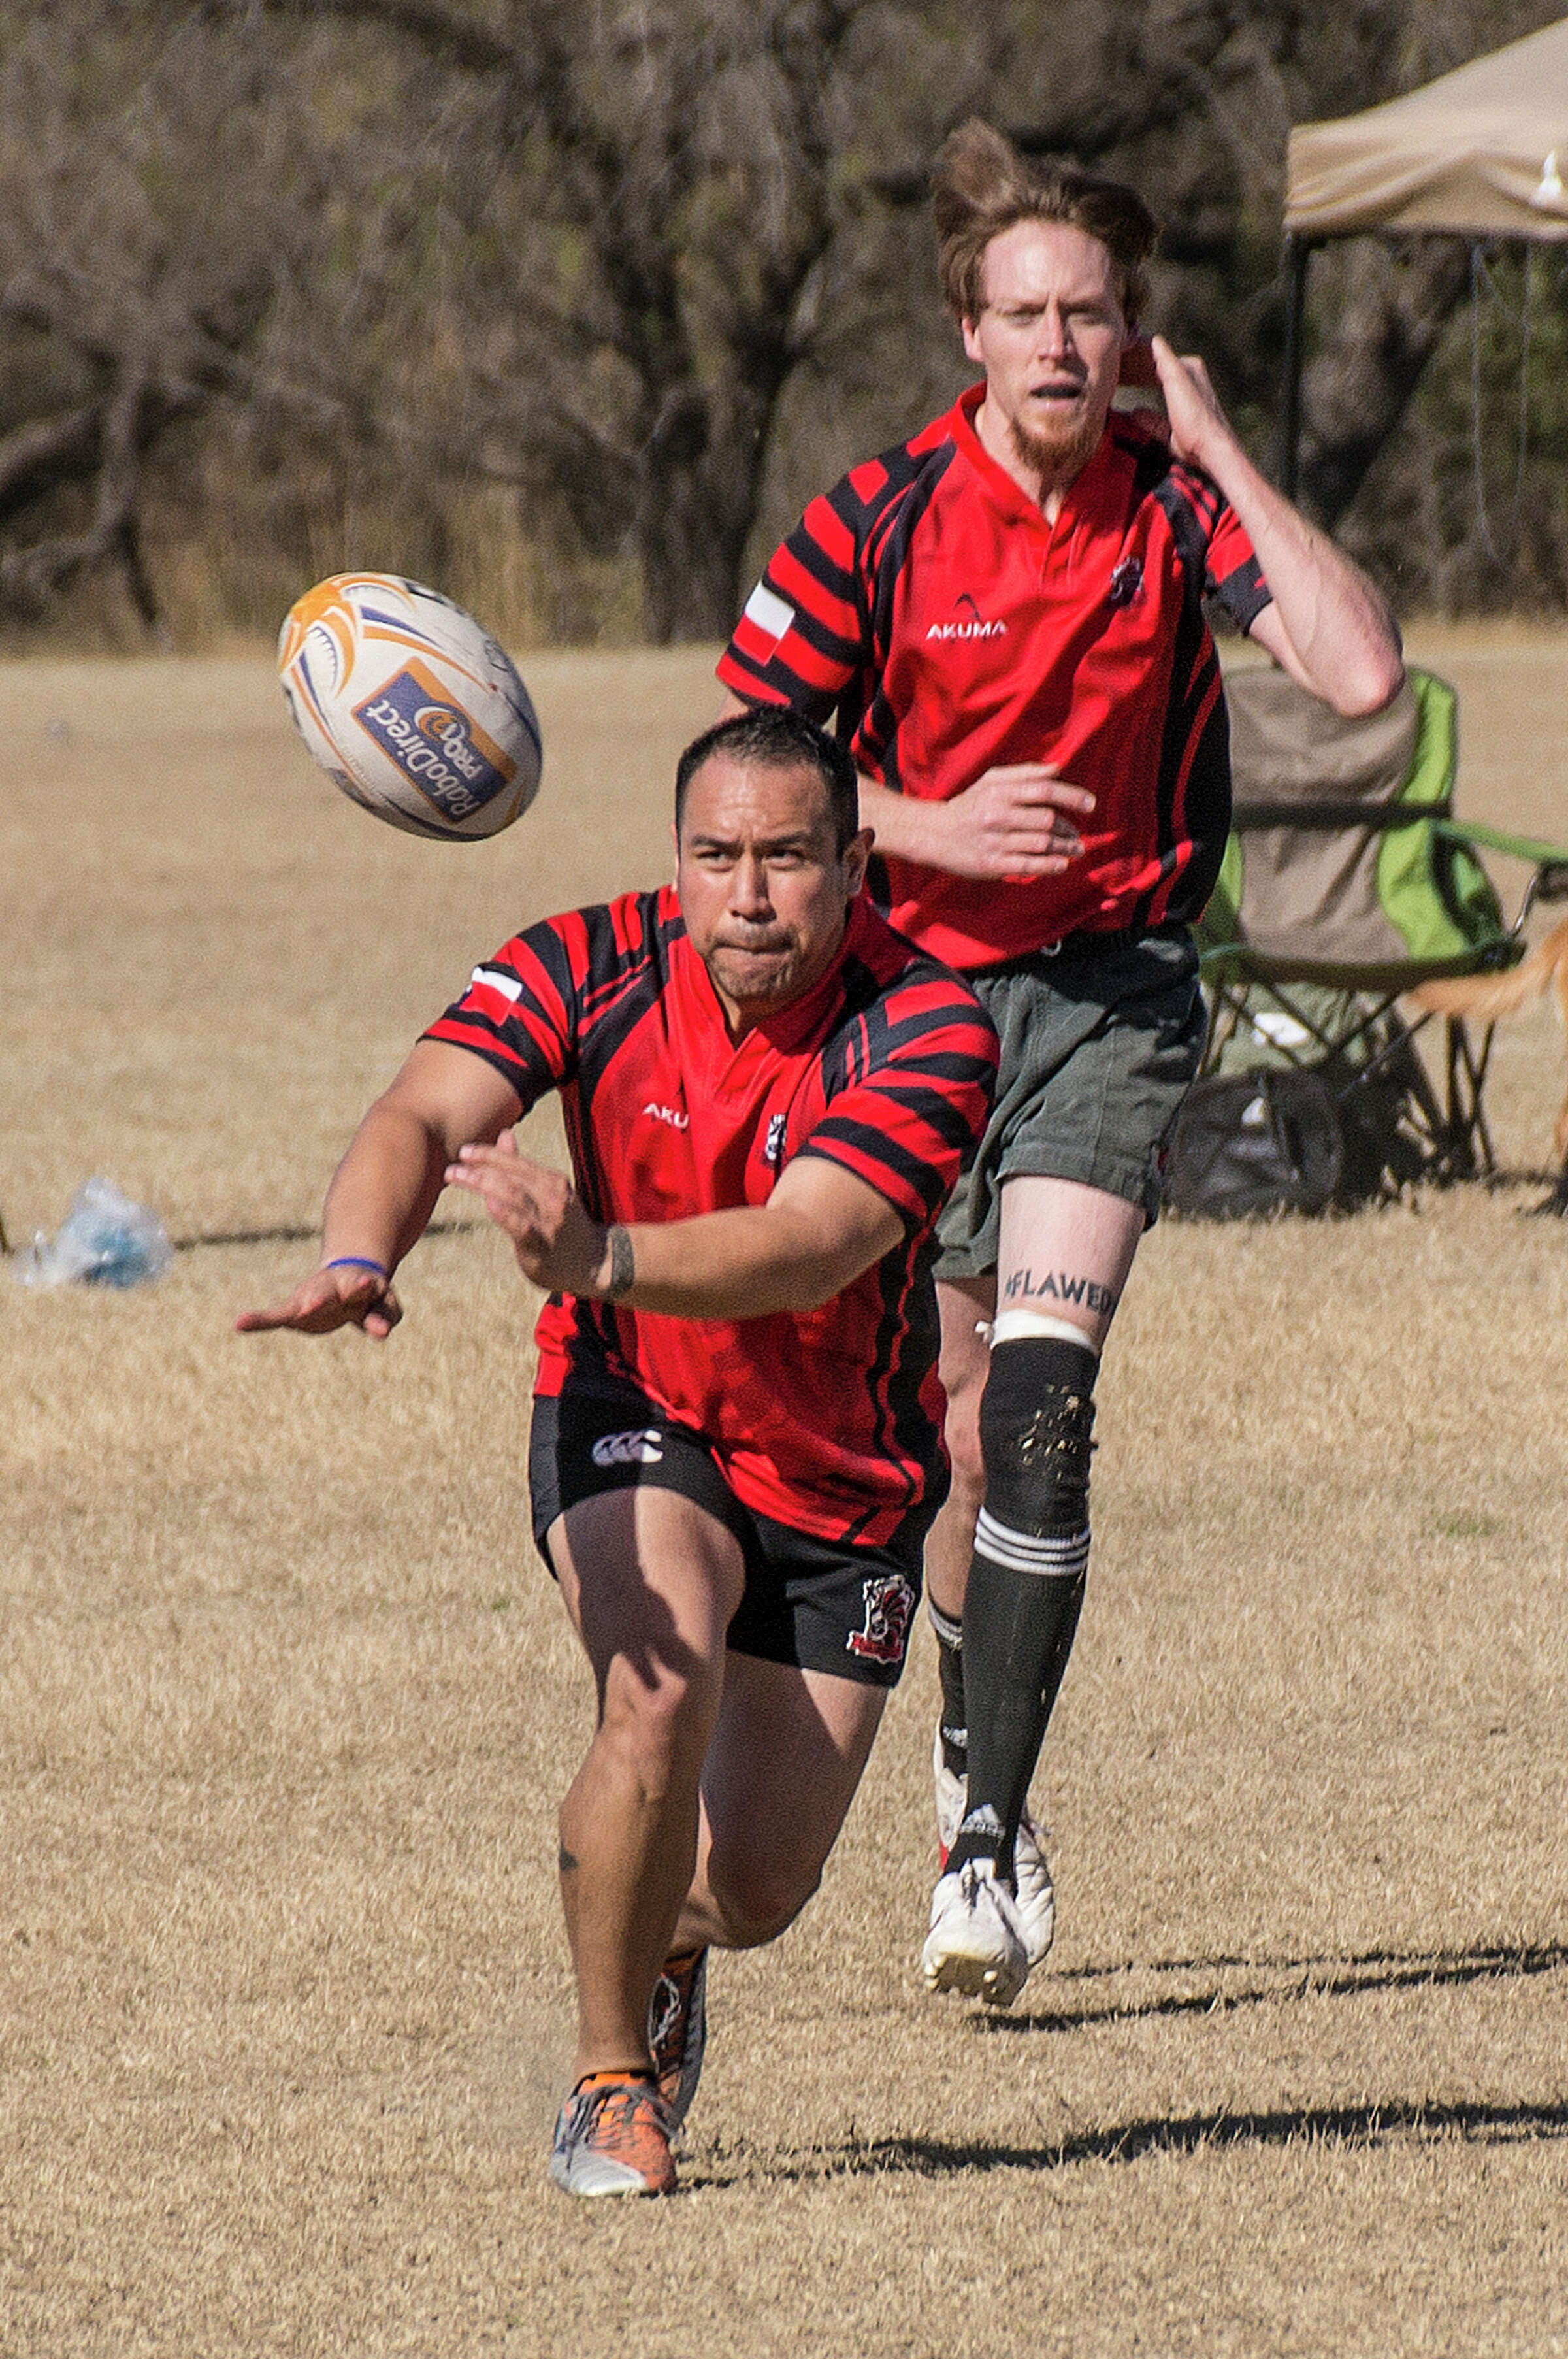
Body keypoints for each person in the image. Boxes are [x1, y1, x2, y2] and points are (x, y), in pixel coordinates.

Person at [715, 121, 1405, 2007]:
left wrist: (1220, 438)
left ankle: (989, 1839)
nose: (1056, 345)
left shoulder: (1174, 508)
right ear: (968, 329)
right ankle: (969, 1738)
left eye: (1091, 316)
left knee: (1038, 1402)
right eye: (1023, 312)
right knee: (940, 1428)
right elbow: (747, 770)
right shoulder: (875, 515)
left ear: (1128, 339)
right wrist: (927, 829)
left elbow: (1359, 676)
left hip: (1109, 999)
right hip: (913, 1009)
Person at [237, 707, 997, 2195]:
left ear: (858, 862)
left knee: (755, 1885)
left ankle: (659, 1947)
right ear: (677, 861)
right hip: (627, 1399)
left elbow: (807, 1244)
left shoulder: (932, 1021)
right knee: (656, 1688)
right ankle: (608, 2079)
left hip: (841, 1469)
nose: (751, 894)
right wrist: (355, 1247)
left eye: (789, 857)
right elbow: (420, 1108)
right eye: (717, 857)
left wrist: (597, 1249)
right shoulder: (587, 959)